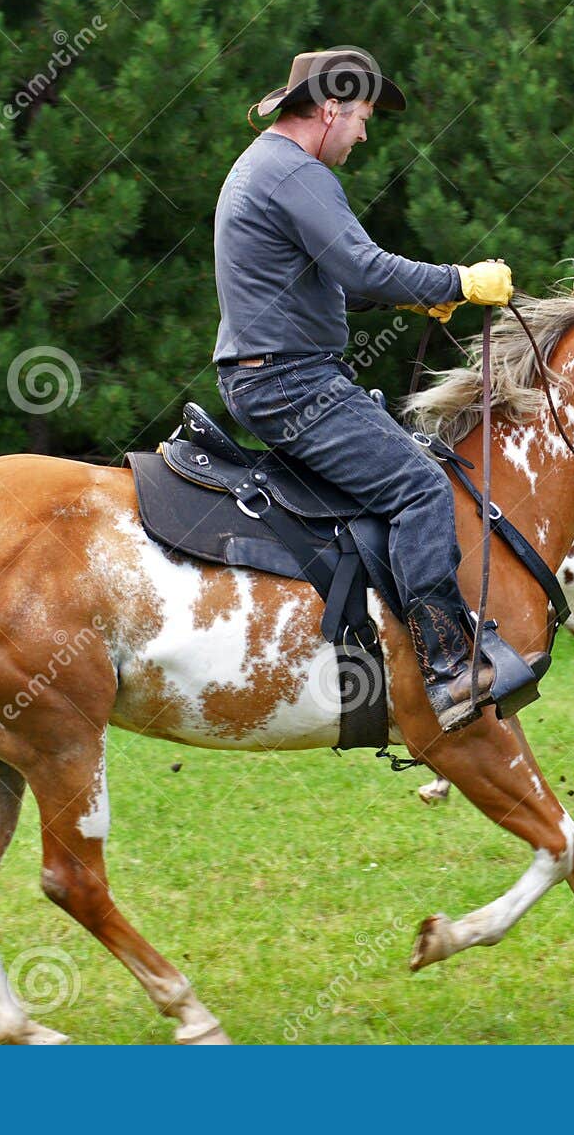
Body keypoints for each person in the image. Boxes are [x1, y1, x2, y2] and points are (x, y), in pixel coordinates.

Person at [213, 47, 541, 733]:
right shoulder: (295, 173)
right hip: (289, 382)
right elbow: (363, 266)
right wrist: (459, 281)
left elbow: (336, 285)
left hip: (271, 376)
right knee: (420, 488)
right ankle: (451, 667)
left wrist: (414, 301)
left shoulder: (265, 168)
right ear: (331, 107)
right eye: (361, 117)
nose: (362, 134)